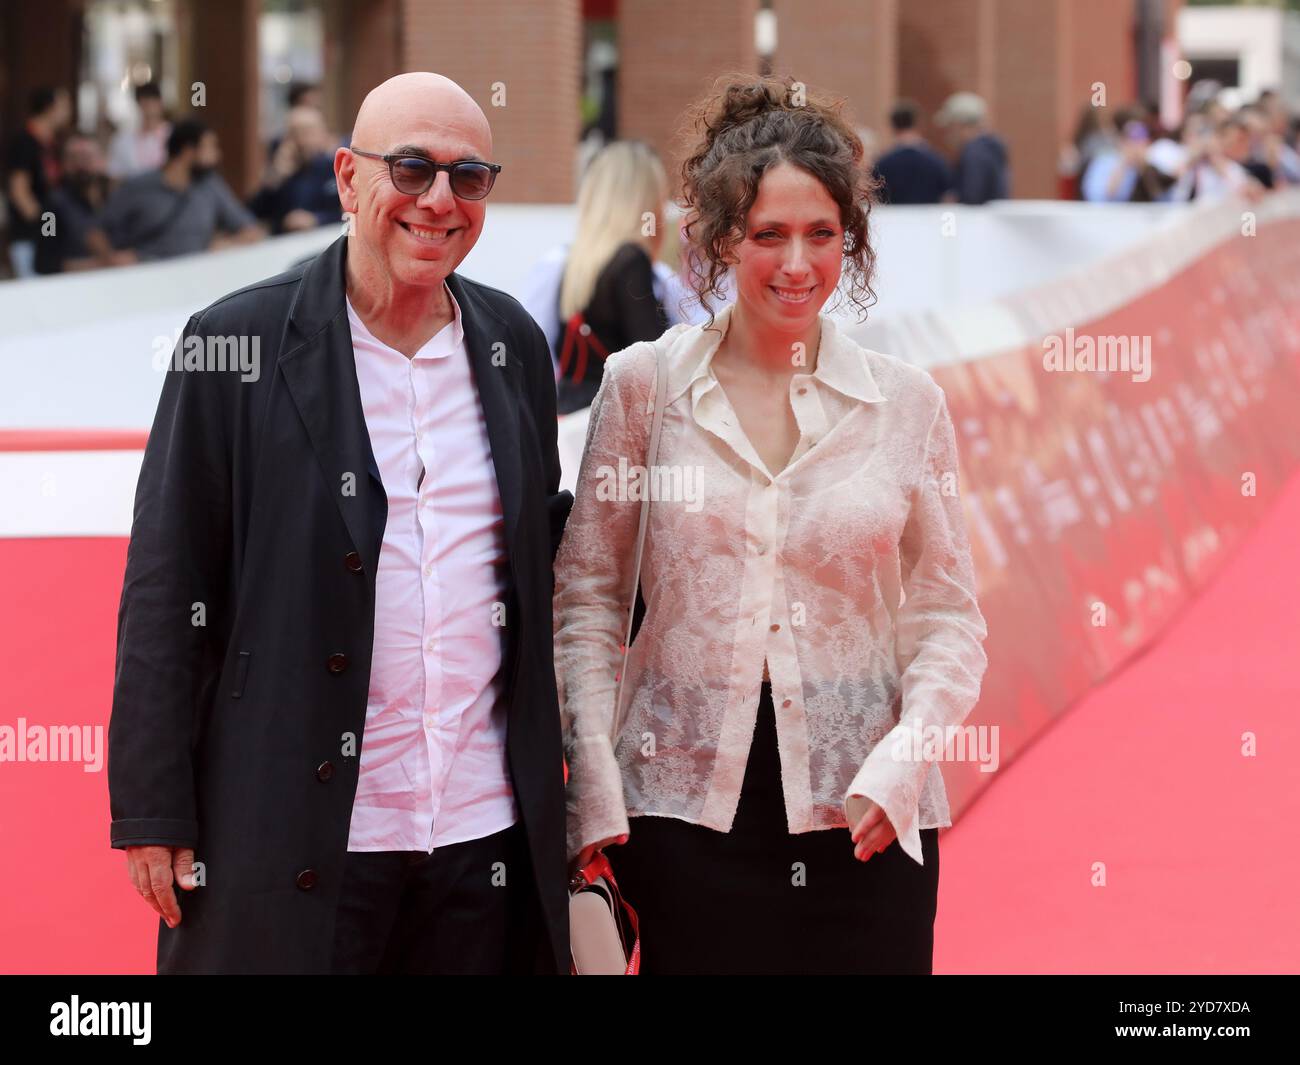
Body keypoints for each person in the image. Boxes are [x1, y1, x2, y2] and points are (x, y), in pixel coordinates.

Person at [107, 72, 574, 974]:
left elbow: (538, 566)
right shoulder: (232, 345)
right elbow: (168, 584)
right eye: (412, 169)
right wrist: (154, 808)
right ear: (348, 177)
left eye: (468, 177)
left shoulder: (513, 345)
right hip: (297, 833)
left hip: (481, 836)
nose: (439, 201)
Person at [554, 75, 990, 975]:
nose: (798, 263)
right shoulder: (646, 388)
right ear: (717, 240)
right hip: (682, 814)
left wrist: (907, 754)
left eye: (822, 234)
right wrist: (592, 788)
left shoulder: (905, 404)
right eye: (768, 235)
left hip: (867, 815)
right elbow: (588, 600)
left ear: (852, 241)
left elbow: (948, 615)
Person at [552, 140, 671, 414]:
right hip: (611, 423)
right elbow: (653, 361)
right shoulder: (631, 261)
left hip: (571, 415)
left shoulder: (579, 264)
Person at [98, 119, 263, 261]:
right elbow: (96, 232)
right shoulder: (137, 187)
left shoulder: (210, 187)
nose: (217, 155)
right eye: (210, 147)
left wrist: (224, 245)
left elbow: (251, 230)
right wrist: (112, 259)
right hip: (144, 279)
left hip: (194, 280)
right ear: (188, 152)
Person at [36, 135, 129, 273]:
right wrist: (95, 264)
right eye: (74, 158)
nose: (81, 164)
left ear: (103, 160)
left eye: (87, 157)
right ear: (64, 164)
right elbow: (44, 262)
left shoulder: (121, 197)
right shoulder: (52, 208)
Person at [4, 86, 71, 278]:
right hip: (31, 236)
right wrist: (46, 230)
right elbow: (19, 192)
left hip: (50, 232)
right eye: (64, 106)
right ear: (49, 108)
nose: (67, 111)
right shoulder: (24, 142)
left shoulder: (52, 144)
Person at [248, 105, 342, 233]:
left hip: (325, 243)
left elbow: (349, 217)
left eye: (308, 132)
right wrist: (274, 178)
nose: (302, 140)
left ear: (323, 135)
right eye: (294, 133)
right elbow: (252, 214)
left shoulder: (335, 169)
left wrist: (316, 219)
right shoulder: (282, 170)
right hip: (285, 245)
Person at [934, 91, 1010, 205]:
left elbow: (972, 196)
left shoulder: (974, 153)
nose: (947, 133)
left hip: (976, 220)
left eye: (950, 126)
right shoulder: (990, 148)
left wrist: (954, 199)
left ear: (960, 124)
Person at [872, 99, 952, 205]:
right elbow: (948, 196)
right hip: (929, 219)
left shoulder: (882, 163)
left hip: (893, 220)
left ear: (893, 125)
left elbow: (876, 198)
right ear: (918, 123)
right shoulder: (937, 161)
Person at [106, 81, 170, 180]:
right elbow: (114, 175)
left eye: (153, 100)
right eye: (144, 101)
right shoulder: (122, 140)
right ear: (138, 104)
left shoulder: (173, 136)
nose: (149, 106)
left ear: (160, 103)